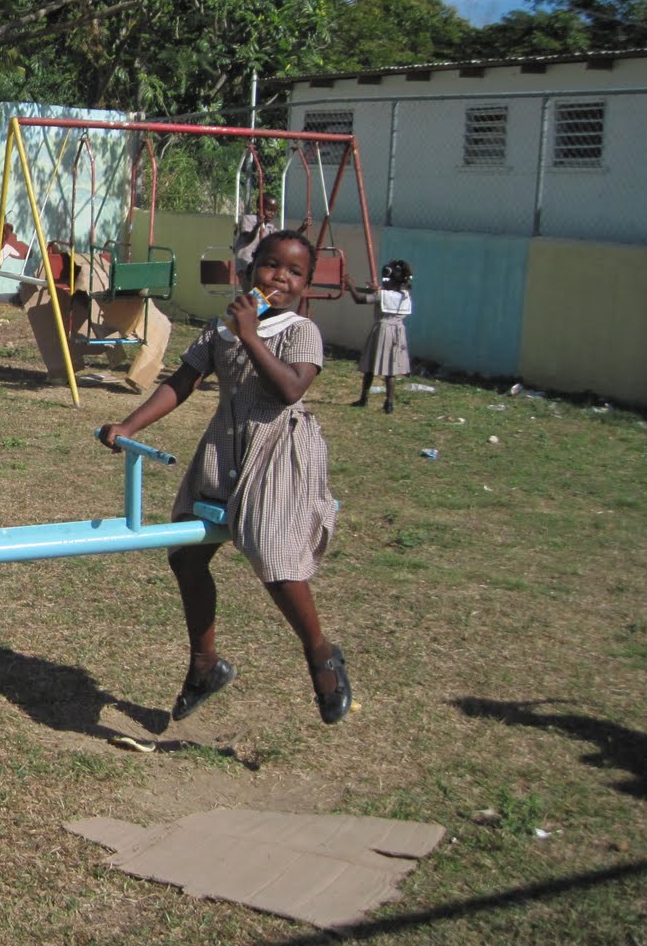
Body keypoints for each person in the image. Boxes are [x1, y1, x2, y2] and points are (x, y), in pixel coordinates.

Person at [98, 231, 351, 726]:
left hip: (278, 454)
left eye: (295, 272)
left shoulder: (301, 331)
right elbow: (182, 382)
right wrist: (129, 425)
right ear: (249, 271)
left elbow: (290, 390)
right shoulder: (221, 329)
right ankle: (205, 665)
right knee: (185, 554)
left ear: (305, 286)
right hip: (225, 449)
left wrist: (252, 334)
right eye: (271, 265)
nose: (281, 278)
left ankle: (321, 653)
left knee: (274, 556)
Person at [348, 259, 414, 414]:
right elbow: (390, 294)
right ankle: (389, 403)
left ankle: (364, 399)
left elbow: (359, 299)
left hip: (382, 331)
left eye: (386, 280)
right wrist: (379, 289)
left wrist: (350, 285)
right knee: (391, 369)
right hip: (398, 332)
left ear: (392, 281)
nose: (383, 282)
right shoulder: (405, 295)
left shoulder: (381, 295)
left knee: (370, 366)